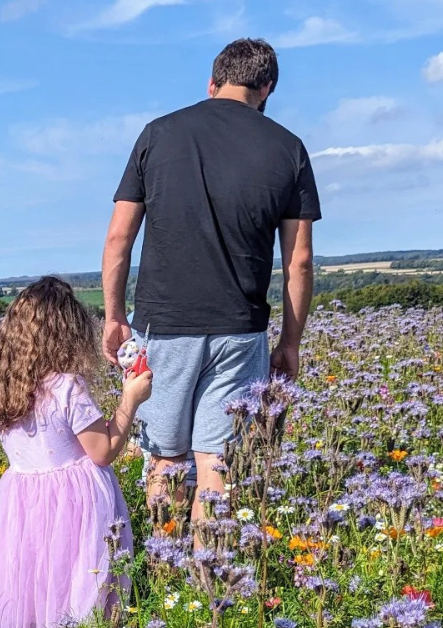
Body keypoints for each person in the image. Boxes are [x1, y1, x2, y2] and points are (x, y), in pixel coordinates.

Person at [101, 39, 320, 529]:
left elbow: (119, 237)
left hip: (164, 325)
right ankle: (208, 588)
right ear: (266, 90)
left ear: (212, 81)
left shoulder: (157, 135)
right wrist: (290, 341)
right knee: (216, 463)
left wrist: (114, 315)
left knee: (163, 459)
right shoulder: (289, 148)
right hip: (239, 330)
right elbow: (299, 262)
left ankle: (163, 574)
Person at [0, 276, 153, 628]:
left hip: (19, 506)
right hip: (75, 508)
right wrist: (131, 399)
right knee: (78, 592)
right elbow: (104, 450)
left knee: (29, 589)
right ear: (69, 332)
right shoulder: (66, 387)